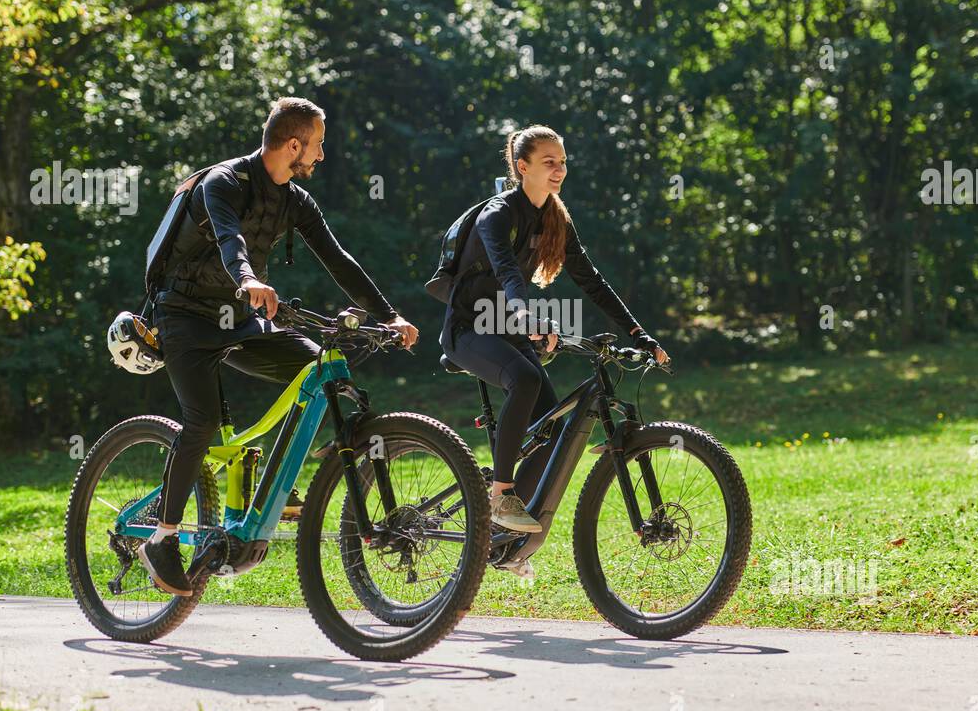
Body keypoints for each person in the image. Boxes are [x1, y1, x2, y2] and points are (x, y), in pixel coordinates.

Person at [140, 97, 418, 596]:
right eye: (319, 145)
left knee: (318, 370)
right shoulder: (223, 183)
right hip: (183, 316)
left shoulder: (295, 200)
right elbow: (231, 241)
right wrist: (247, 279)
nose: (322, 156)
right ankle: (161, 538)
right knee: (201, 423)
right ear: (294, 144)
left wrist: (388, 315)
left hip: (241, 319)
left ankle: (280, 481)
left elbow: (339, 261)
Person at [440, 125, 669, 537]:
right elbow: (508, 271)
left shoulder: (554, 219)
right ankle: (499, 495)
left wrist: (639, 333)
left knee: (556, 430)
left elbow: (592, 281)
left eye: (562, 161)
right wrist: (527, 316)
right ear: (522, 166)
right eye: (549, 162)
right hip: (467, 330)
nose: (559, 169)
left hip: (507, 329)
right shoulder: (498, 214)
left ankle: (503, 536)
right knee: (525, 378)